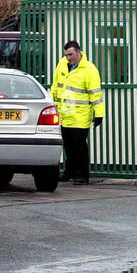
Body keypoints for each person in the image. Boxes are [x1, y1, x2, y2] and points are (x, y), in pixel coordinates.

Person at [50, 39, 105, 185]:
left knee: (79, 145)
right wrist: (52, 105)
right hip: (65, 114)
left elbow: (96, 94)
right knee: (68, 145)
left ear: (78, 52)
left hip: (80, 115)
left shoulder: (89, 69)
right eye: (67, 55)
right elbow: (56, 86)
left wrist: (99, 114)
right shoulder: (62, 64)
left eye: (71, 54)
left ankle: (82, 175)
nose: (68, 58)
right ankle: (69, 172)